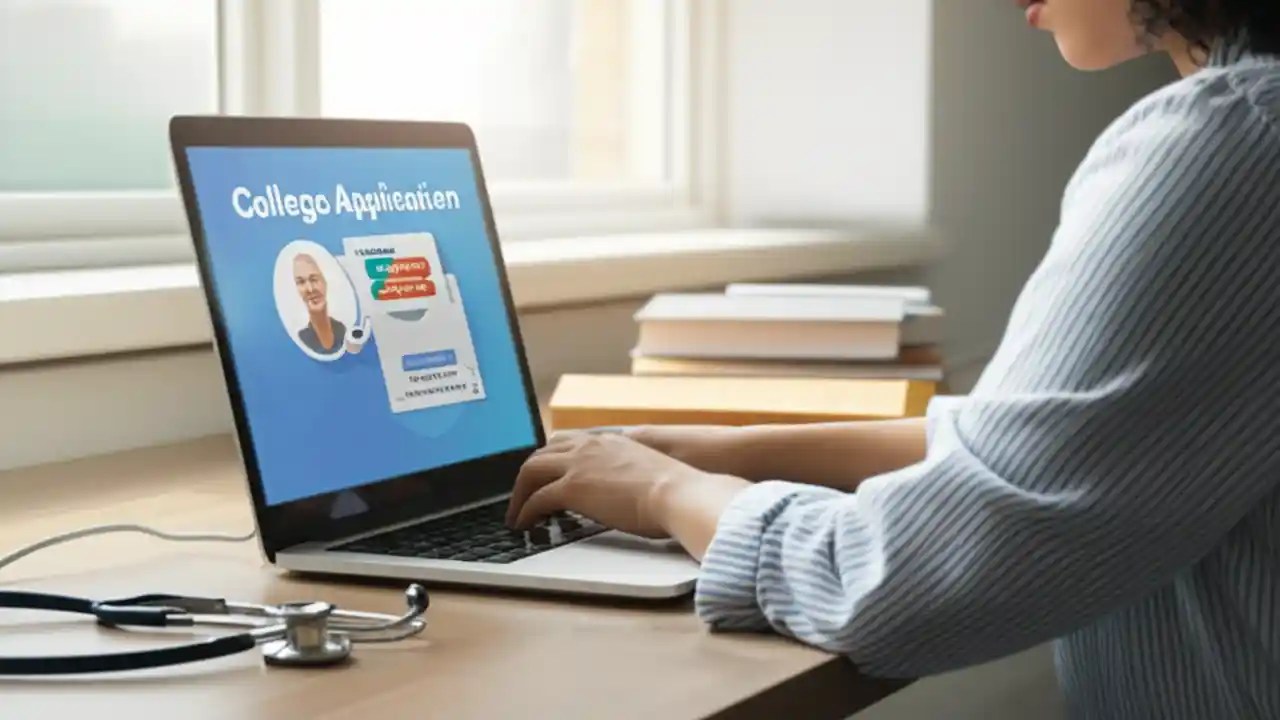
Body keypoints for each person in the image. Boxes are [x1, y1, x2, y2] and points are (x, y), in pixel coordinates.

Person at [505, 1, 1280, 717]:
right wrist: (727, 449)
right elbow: (1071, 443)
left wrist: (671, 495)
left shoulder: (1234, 144)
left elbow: (898, 586)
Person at [292, 253, 347, 357]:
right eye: (301, 282)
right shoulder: (301, 337)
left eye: (314, 279)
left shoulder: (343, 328)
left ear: (325, 281)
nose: (310, 289)